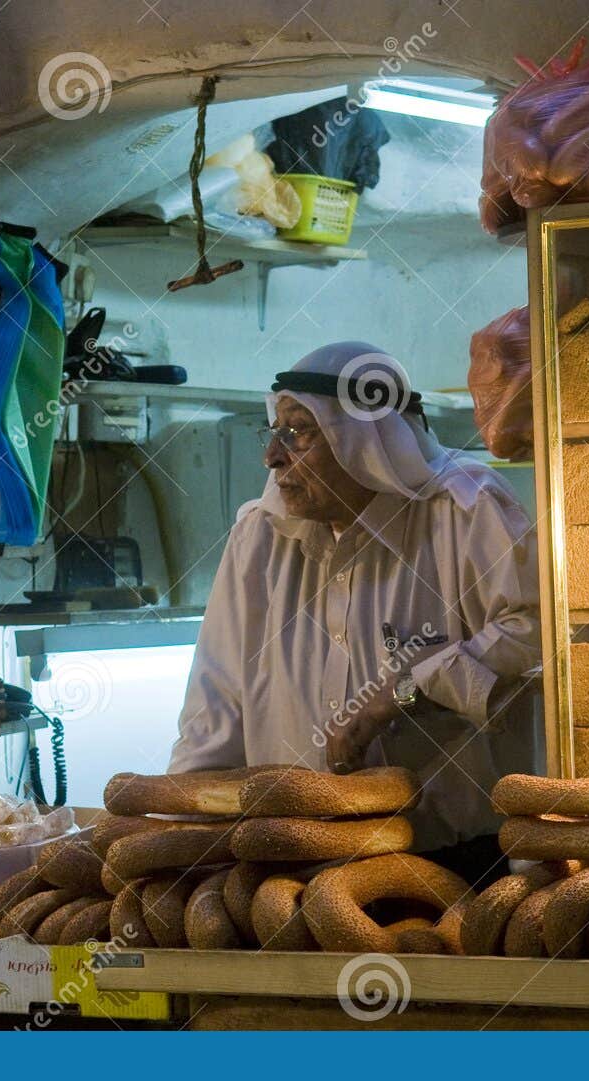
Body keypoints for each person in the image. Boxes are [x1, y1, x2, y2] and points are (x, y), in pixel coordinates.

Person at [167, 340, 541, 883]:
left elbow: (536, 637)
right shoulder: (260, 536)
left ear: (364, 439)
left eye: (298, 432)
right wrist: (179, 851)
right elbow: (215, 707)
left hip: (453, 866)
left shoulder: (465, 510)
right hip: (285, 863)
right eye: (273, 432)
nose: (272, 457)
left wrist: (411, 687)